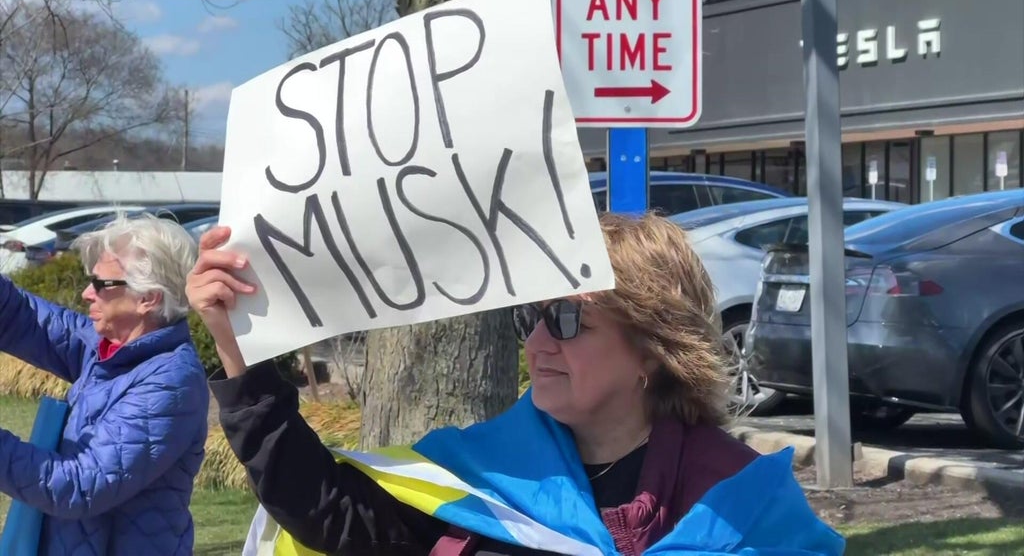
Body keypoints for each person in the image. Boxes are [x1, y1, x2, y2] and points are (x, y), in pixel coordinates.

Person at [188, 213, 845, 555]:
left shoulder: (741, 502)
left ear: (653, 346)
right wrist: (236, 343)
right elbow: (326, 509)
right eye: (531, 317)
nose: (535, 343)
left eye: (565, 319)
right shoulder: (483, 477)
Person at [0, 213, 210, 555]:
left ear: (149, 298)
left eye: (101, 285)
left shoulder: (173, 383)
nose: (86, 293)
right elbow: (19, 316)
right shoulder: (107, 348)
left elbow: (81, 486)